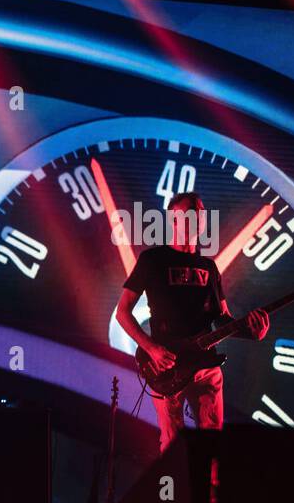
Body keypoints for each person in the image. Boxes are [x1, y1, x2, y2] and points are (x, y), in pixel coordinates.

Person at [115, 191, 269, 452]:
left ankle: (208, 493)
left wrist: (252, 333)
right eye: (188, 212)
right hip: (167, 367)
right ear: (172, 220)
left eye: (199, 212)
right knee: (173, 444)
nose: (196, 217)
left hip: (207, 366)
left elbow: (223, 321)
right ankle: (172, 493)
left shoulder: (209, 268)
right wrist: (152, 349)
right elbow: (122, 312)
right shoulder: (153, 260)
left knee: (213, 443)